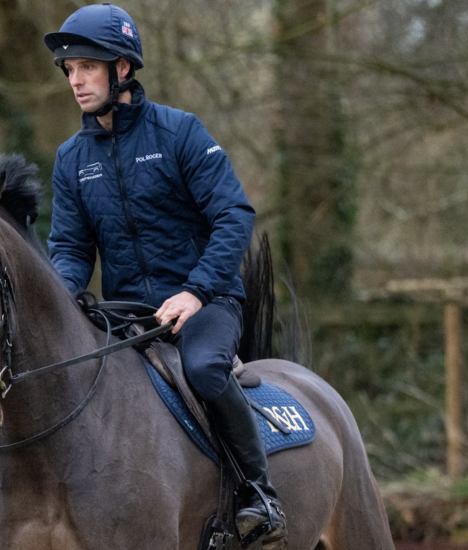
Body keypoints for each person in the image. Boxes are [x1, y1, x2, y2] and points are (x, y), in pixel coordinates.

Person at [44, 3, 286, 548]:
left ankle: (259, 493)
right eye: (70, 70)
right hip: (126, 312)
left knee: (202, 370)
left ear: (122, 69)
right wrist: (64, 297)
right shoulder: (70, 158)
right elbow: (69, 248)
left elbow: (233, 215)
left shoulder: (180, 132)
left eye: (86, 67)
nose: (75, 80)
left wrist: (197, 291)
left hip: (209, 300)